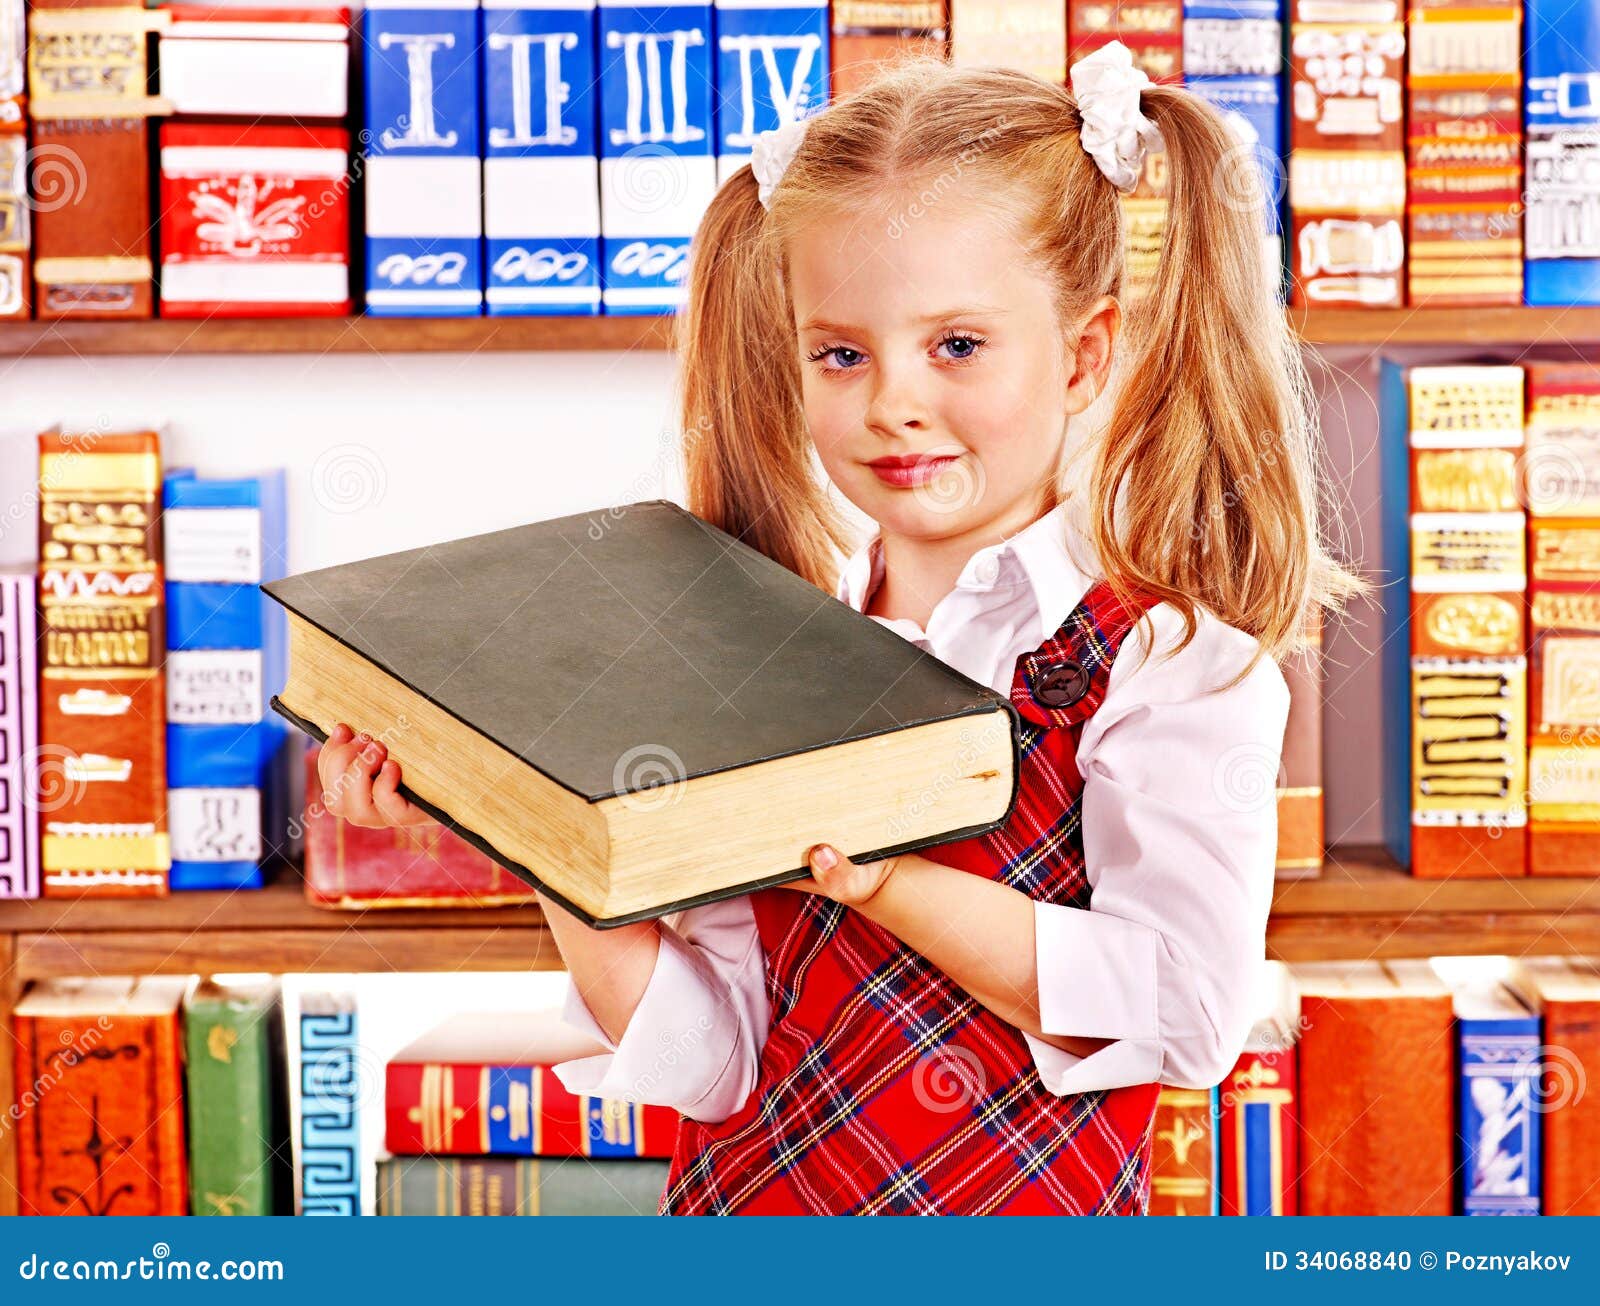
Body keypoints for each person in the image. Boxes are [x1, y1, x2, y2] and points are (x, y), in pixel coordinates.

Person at [315, 42, 1362, 1214]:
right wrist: (528, 830)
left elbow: (1184, 1010)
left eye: (957, 345)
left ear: (1083, 354)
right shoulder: (753, 659)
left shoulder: (1167, 664)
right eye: (841, 353)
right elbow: (711, 1065)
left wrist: (885, 881)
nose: (892, 402)